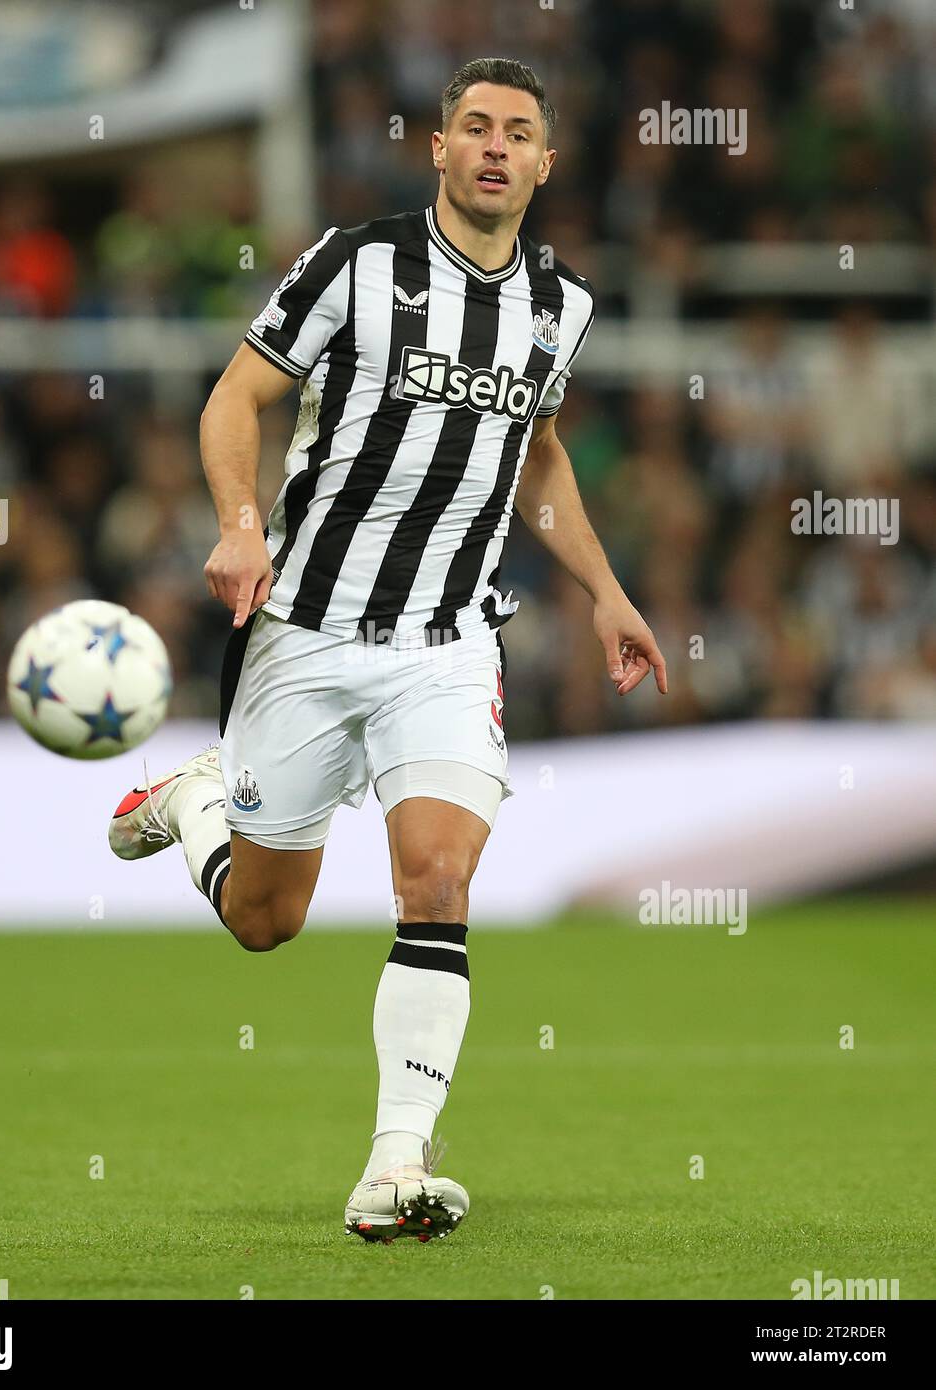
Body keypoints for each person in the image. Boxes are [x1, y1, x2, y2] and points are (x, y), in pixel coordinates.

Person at [108, 57, 667, 1243]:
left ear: (546, 163)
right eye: (475, 127)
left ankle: (395, 1165)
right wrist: (239, 525)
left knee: (437, 879)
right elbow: (233, 398)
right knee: (266, 920)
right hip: (304, 630)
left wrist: (608, 592)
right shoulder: (356, 264)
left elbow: (540, 452)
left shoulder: (561, 306)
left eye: (519, 131)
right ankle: (201, 804)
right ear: (439, 147)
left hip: (447, 641)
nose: (496, 147)